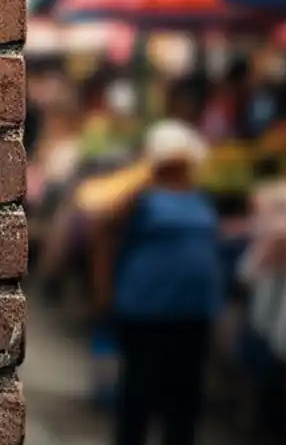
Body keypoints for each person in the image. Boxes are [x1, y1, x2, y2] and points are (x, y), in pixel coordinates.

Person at [87, 120, 221, 445]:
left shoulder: (199, 195)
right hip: (146, 308)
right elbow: (103, 233)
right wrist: (103, 290)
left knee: (184, 398)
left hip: (193, 310)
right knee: (139, 393)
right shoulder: (136, 195)